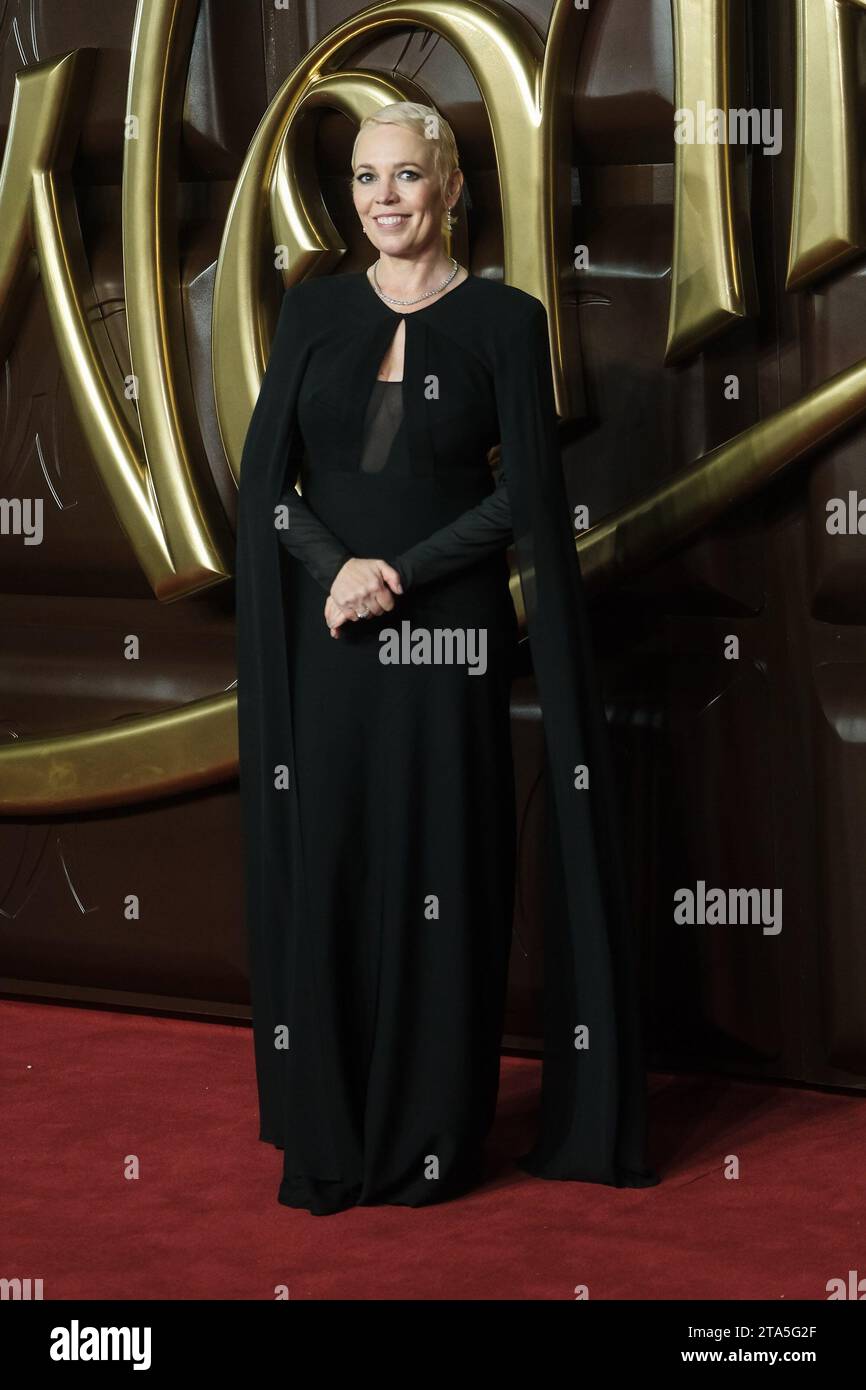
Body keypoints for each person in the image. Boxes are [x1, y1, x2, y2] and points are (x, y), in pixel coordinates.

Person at [235, 100, 659, 1216]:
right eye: (365, 178)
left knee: (442, 868)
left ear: (450, 186)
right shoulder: (312, 312)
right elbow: (263, 487)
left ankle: (429, 1137)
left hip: (449, 629)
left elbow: (526, 493)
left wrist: (400, 573)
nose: (381, 198)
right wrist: (338, 569)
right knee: (333, 859)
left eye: (405, 176)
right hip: (331, 631)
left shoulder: (504, 323)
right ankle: (328, 1136)